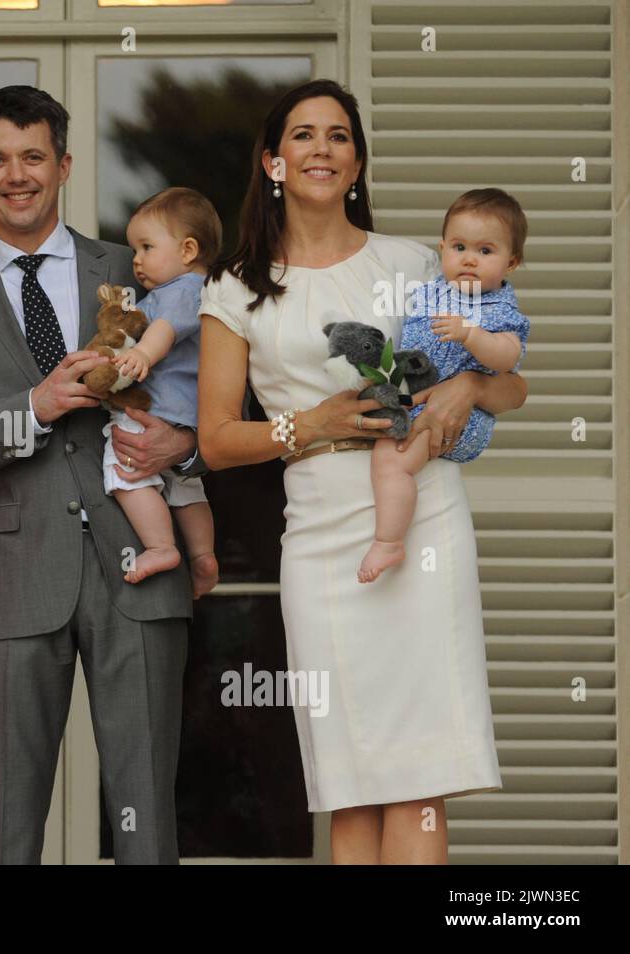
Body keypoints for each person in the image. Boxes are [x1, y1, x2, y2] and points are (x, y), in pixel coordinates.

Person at [197, 80, 526, 864]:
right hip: (318, 527)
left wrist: (472, 385)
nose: (321, 149)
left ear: (357, 163)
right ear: (273, 162)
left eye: (339, 136)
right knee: (349, 778)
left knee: (420, 779)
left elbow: (513, 384)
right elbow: (213, 440)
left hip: (423, 513)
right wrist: (309, 424)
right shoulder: (235, 285)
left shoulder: (415, 261)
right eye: (303, 135)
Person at [0, 86, 202, 864]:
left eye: (33, 156)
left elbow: (208, 382)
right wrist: (30, 408)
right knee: (8, 821)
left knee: (146, 815)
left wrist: (186, 445)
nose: (16, 174)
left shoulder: (136, 269)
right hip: (14, 573)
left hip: (138, 563)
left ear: (63, 164)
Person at [358, 188, 531, 582]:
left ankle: (388, 541)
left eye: (486, 251)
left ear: (511, 262)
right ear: (442, 249)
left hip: (457, 419)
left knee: (391, 461)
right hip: (418, 401)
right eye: (459, 247)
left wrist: (472, 336)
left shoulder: (498, 307)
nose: (470, 259)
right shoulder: (433, 289)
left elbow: (508, 358)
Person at [107, 187, 221, 593]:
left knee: (124, 474)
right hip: (185, 415)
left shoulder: (182, 290)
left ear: (188, 250)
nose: (135, 259)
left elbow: (164, 330)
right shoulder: (201, 291)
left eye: (146, 247)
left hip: (157, 409)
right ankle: (203, 554)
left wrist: (142, 355)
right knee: (186, 486)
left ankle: (160, 546)